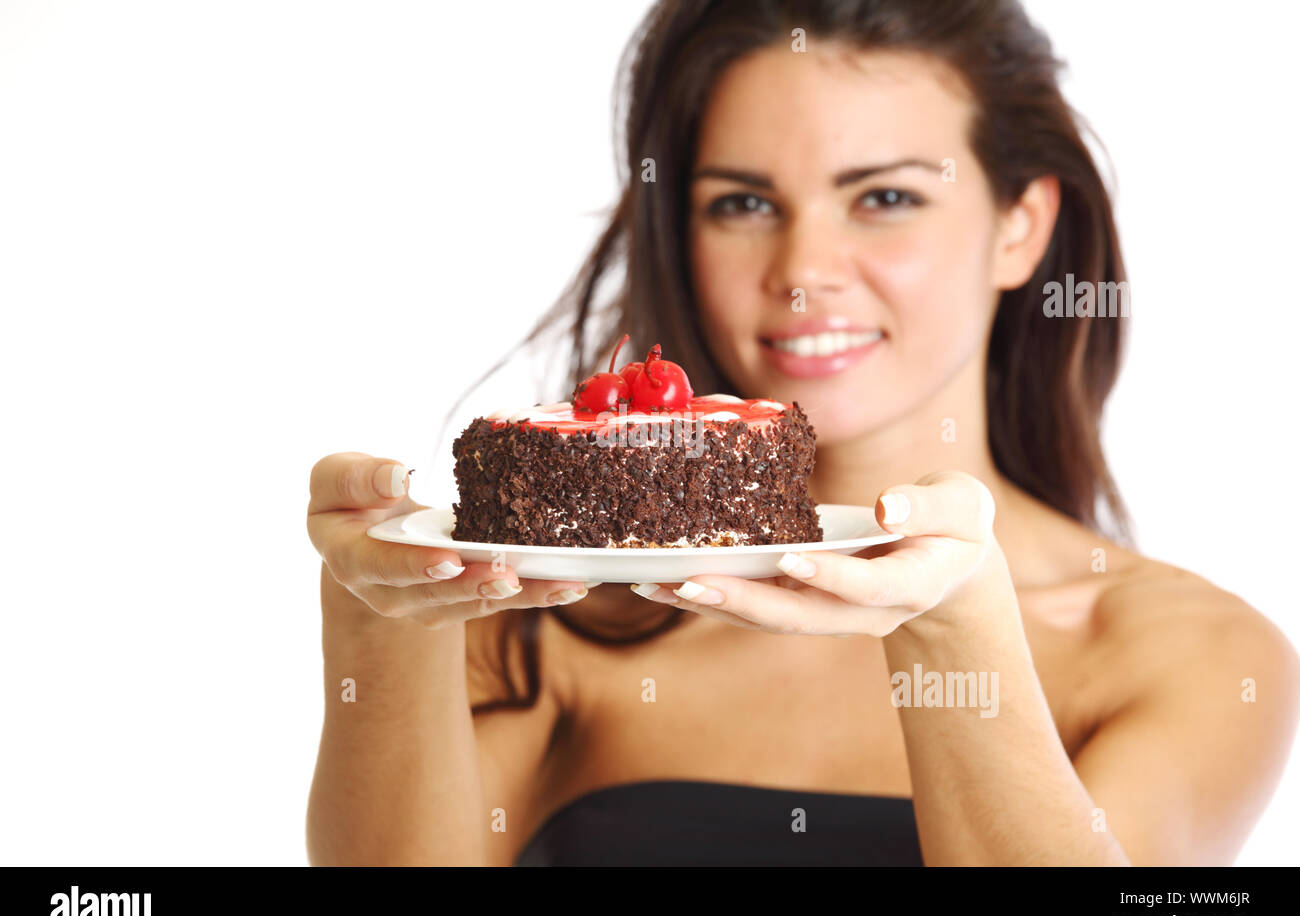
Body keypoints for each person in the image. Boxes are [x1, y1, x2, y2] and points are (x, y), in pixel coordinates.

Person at [304, 0, 1299, 865]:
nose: (802, 267)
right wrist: (379, 607)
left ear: (1020, 226)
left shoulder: (1186, 652)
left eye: (885, 197)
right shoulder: (549, 606)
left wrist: (958, 623)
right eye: (741, 202)